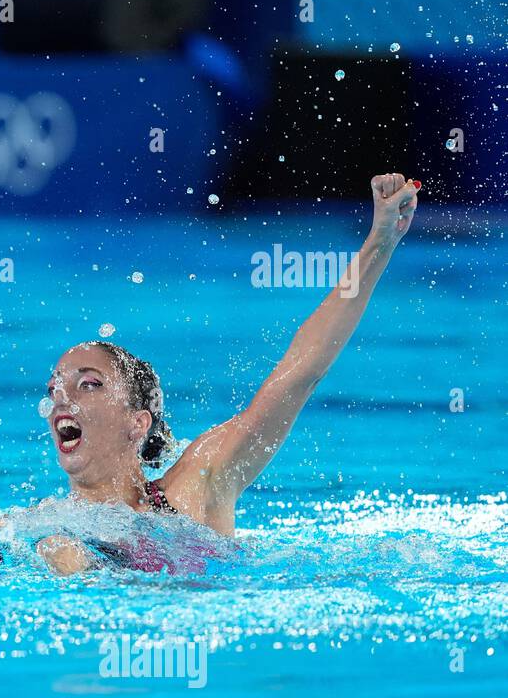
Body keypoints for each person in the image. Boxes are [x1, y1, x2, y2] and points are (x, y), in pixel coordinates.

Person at [33, 173, 419, 574]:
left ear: (137, 423)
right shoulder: (36, 529)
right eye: (56, 388)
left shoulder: (195, 486)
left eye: (89, 384)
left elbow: (299, 373)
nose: (63, 397)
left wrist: (380, 241)